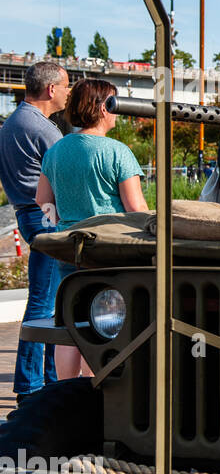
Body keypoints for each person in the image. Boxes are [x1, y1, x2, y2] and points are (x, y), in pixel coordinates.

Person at [34, 79, 148, 379]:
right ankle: (100, 388)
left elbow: (42, 200)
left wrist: (67, 215)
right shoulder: (117, 152)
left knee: (69, 323)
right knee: (107, 322)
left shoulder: (55, 152)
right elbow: (136, 208)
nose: (117, 112)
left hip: (69, 248)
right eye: (114, 105)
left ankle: (65, 392)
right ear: (101, 108)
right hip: (110, 251)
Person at [0, 61, 67, 401]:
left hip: (27, 214)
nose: (69, 93)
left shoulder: (12, 122)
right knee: (45, 304)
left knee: (50, 301)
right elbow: (64, 172)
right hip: (46, 215)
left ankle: (50, 382)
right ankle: (31, 386)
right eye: (66, 86)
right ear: (51, 89)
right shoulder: (42, 129)